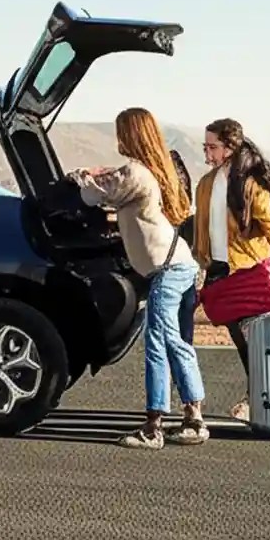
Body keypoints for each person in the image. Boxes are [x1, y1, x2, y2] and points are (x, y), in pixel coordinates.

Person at [68, 107, 208, 450]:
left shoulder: (134, 173)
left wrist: (81, 175)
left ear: (130, 134)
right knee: (175, 342)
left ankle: (153, 428)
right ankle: (194, 419)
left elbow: (91, 194)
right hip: (180, 266)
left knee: (158, 344)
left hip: (167, 271)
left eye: (120, 131)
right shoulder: (155, 171)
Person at [193, 118, 270, 421]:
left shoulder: (250, 187)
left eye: (212, 147)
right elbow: (200, 225)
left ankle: (261, 399)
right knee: (240, 338)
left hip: (249, 273)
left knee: (250, 339)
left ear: (229, 148)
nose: (207, 152)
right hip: (219, 272)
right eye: (205, 146)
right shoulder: (205, 184)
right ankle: (261, 396)